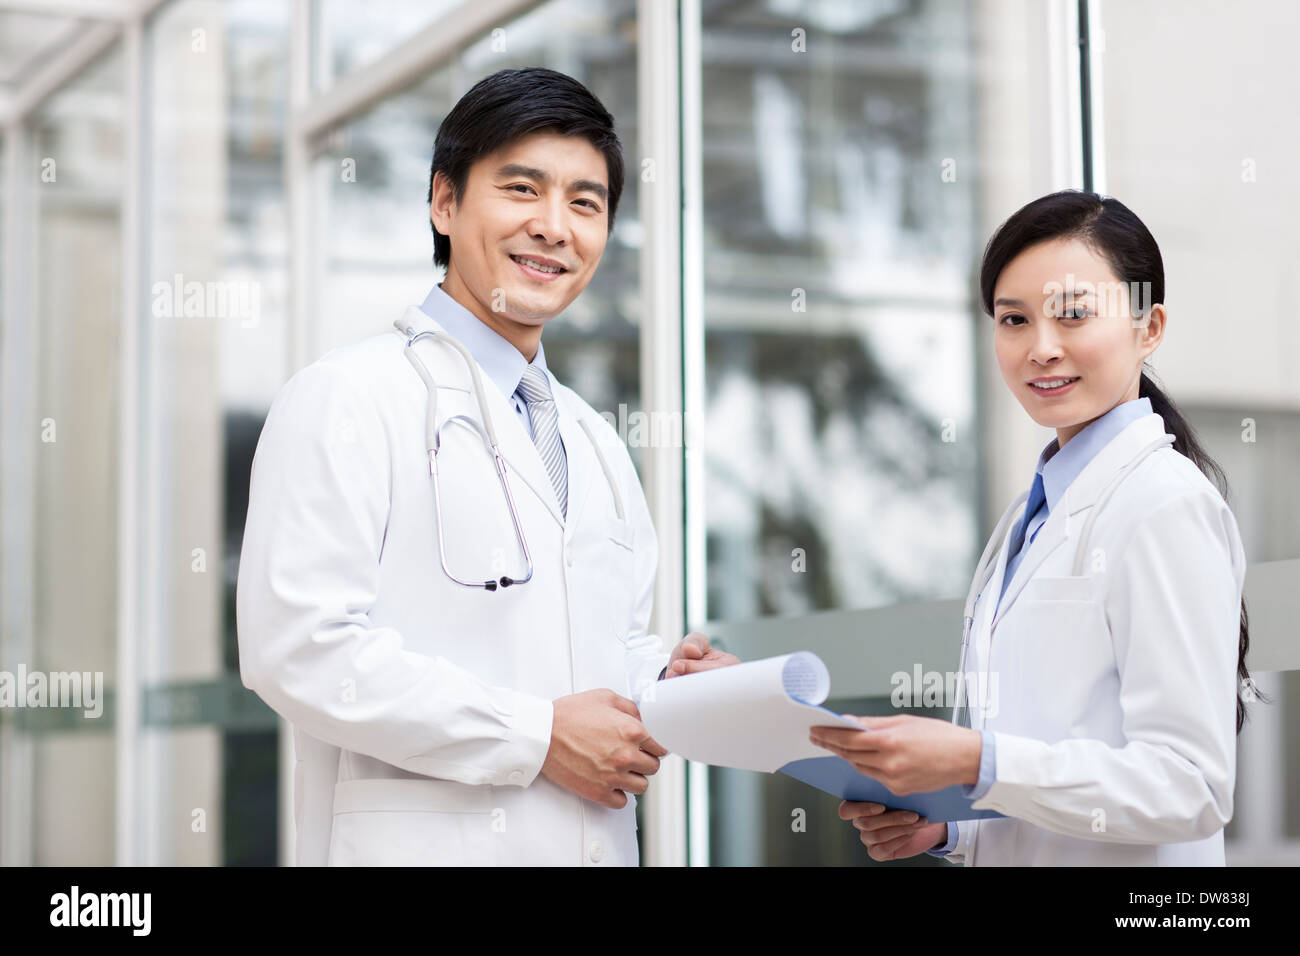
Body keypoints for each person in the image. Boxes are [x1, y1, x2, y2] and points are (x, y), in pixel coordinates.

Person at [237, 67, 735, 867]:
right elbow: (297, 648)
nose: (554, 226)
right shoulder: (348, 397)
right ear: (443, 201)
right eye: (521, 189)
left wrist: (674, 687)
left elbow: (601, 648)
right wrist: (534, 737)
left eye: (585, 203)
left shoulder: (593, 440)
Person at [810, 190, 1256, 865]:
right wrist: (952, 828)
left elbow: (1190, 786)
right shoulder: (1034, 513)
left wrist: (976, 760)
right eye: (1014, 319)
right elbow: (1051, 757)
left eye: (1073, 315)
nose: (1042, 348)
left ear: (1150, 327)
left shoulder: (1164, 504)